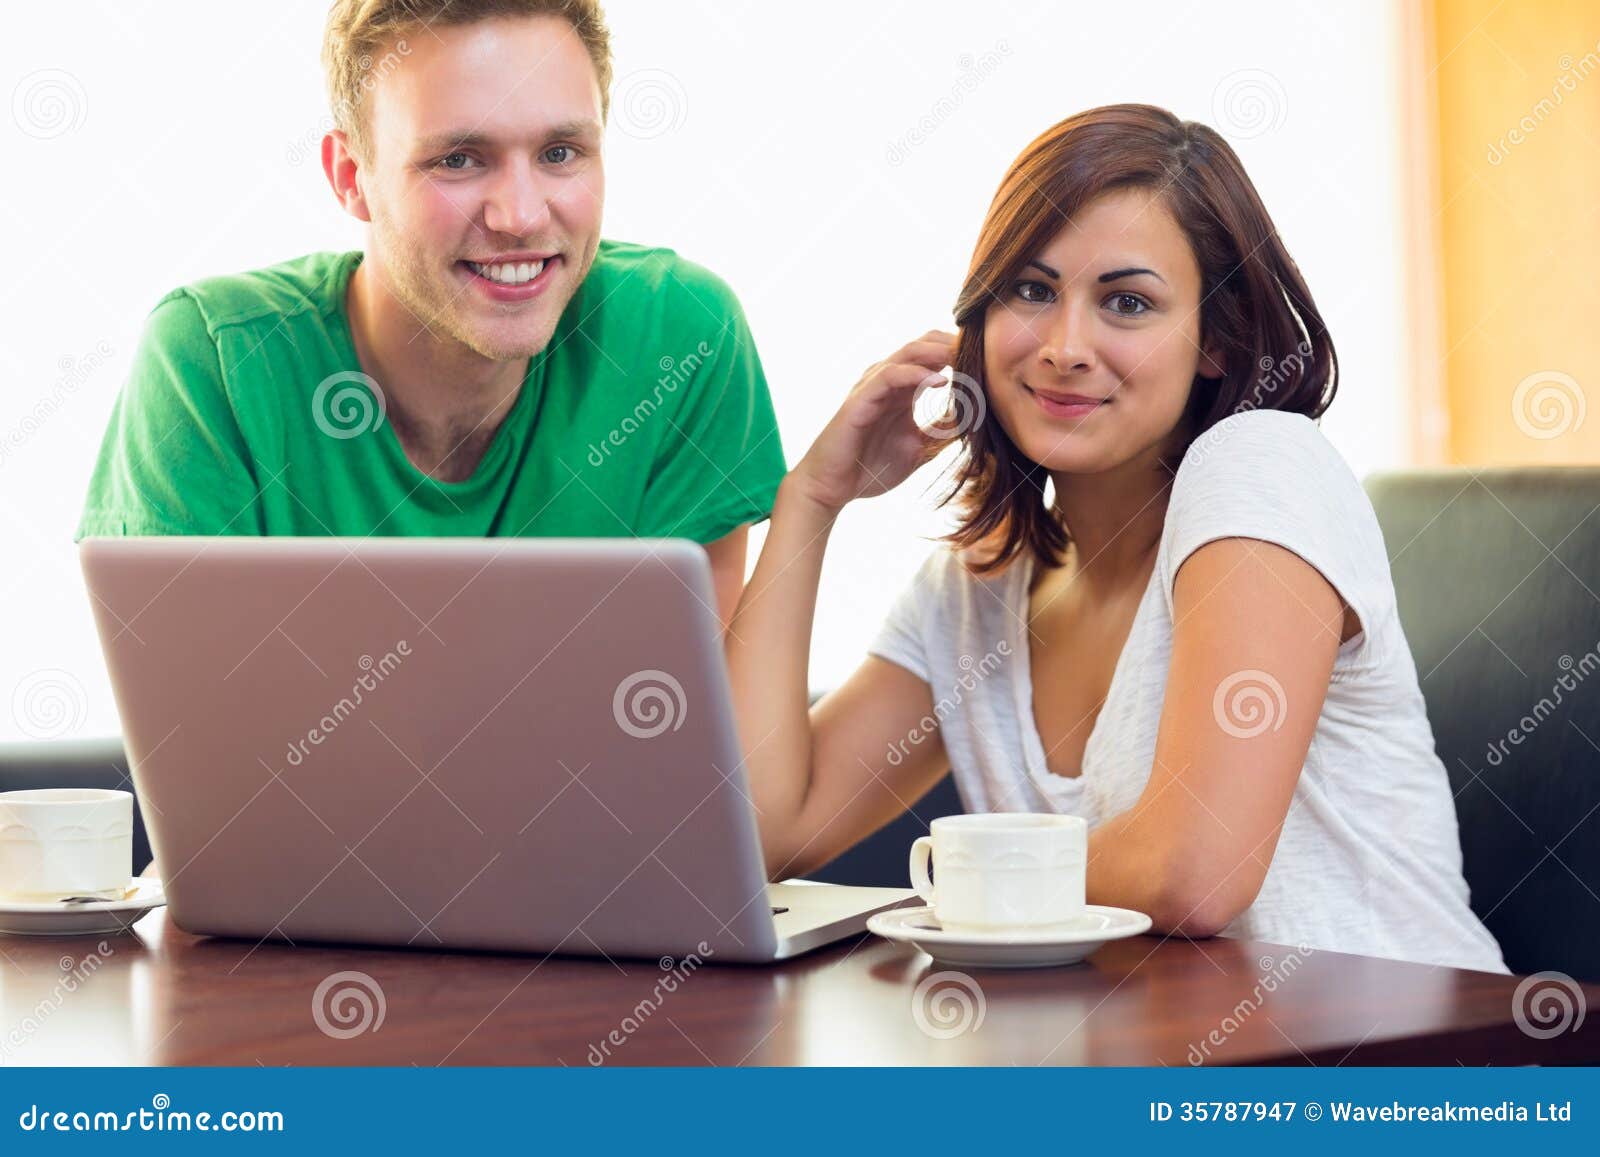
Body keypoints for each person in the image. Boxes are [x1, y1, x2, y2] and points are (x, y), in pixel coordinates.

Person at [726, 103, 1507, 973]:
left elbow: (1195, 873)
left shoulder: (1264, 467)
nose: (1065, 346)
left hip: (1399, 1071)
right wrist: (812, 500)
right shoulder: (974, 591)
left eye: (1127, 302)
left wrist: (960, 881)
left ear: (1216, 339)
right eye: (1031, 289)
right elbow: (763, 831)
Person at [75, 0, 784, 627]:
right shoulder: (215, 364)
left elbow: (672, 737)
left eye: (560, 152)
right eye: (459, 160)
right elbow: (206, 749)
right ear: (352, 178)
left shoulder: (679, 339)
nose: (521, 216)